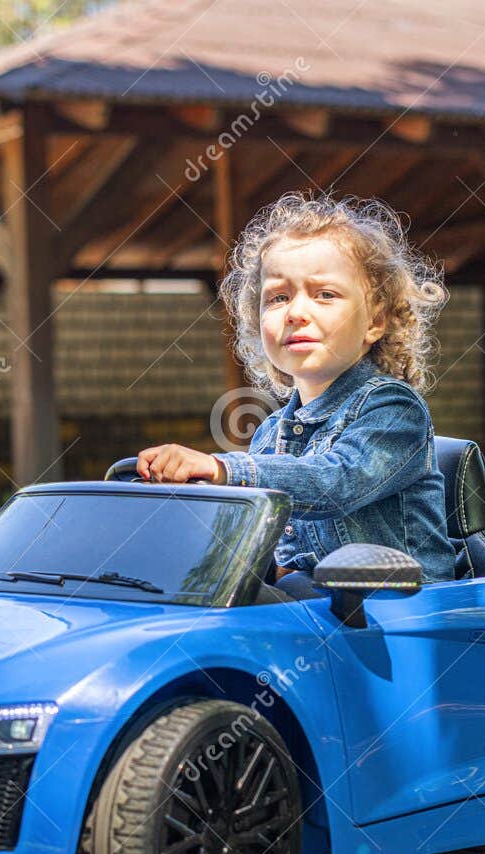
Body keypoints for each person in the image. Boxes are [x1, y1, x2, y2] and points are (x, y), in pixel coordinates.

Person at [137, 192, 460, 594]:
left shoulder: (393, 409)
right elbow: (265, 541)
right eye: (278, 297)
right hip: (320, 608)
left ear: (375, 319)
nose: (295, 312)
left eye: (325, 294)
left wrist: (224, 470)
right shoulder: (270, 433)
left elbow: (335, 483)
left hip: (401, 613)